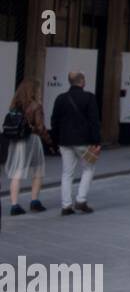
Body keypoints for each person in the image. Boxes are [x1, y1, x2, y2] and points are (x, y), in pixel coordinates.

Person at [49, 71, 101, 216]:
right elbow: (94, 121)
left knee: (67, 173)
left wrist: (55, 141)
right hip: (84, 141)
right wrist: (96, 141)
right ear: (82, 81)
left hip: (65, 141)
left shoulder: (60, 98)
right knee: (89, 169)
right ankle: (81, 200)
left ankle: (66, 206)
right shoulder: (89, 98)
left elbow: (54, 121)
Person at [4, 79, 54, 216]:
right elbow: (40, 127)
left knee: (17, 172)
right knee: (38, 171)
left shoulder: (15, 104)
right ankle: (34, 201)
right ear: (33, 91)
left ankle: (14, 205)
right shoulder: (36, 105)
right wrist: (49, 141)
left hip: (16, 141)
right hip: (32, 140)